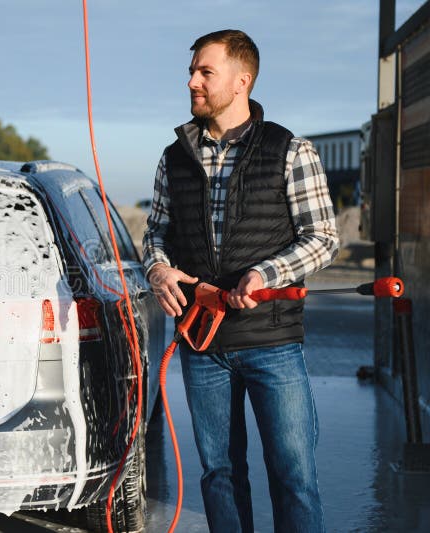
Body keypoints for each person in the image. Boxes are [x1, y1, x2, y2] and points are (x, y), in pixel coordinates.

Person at [142, 29, 339, 533]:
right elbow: (156, 234)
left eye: (205, 72)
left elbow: (322, 238)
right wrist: (158, 268)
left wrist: (262, 273)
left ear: (241, 80)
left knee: (294, 475)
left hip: (272, 341)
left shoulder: (291, 151)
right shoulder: (173, 157)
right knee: (220, 474)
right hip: (200, 341)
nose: (192, 82)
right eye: (192, 72)